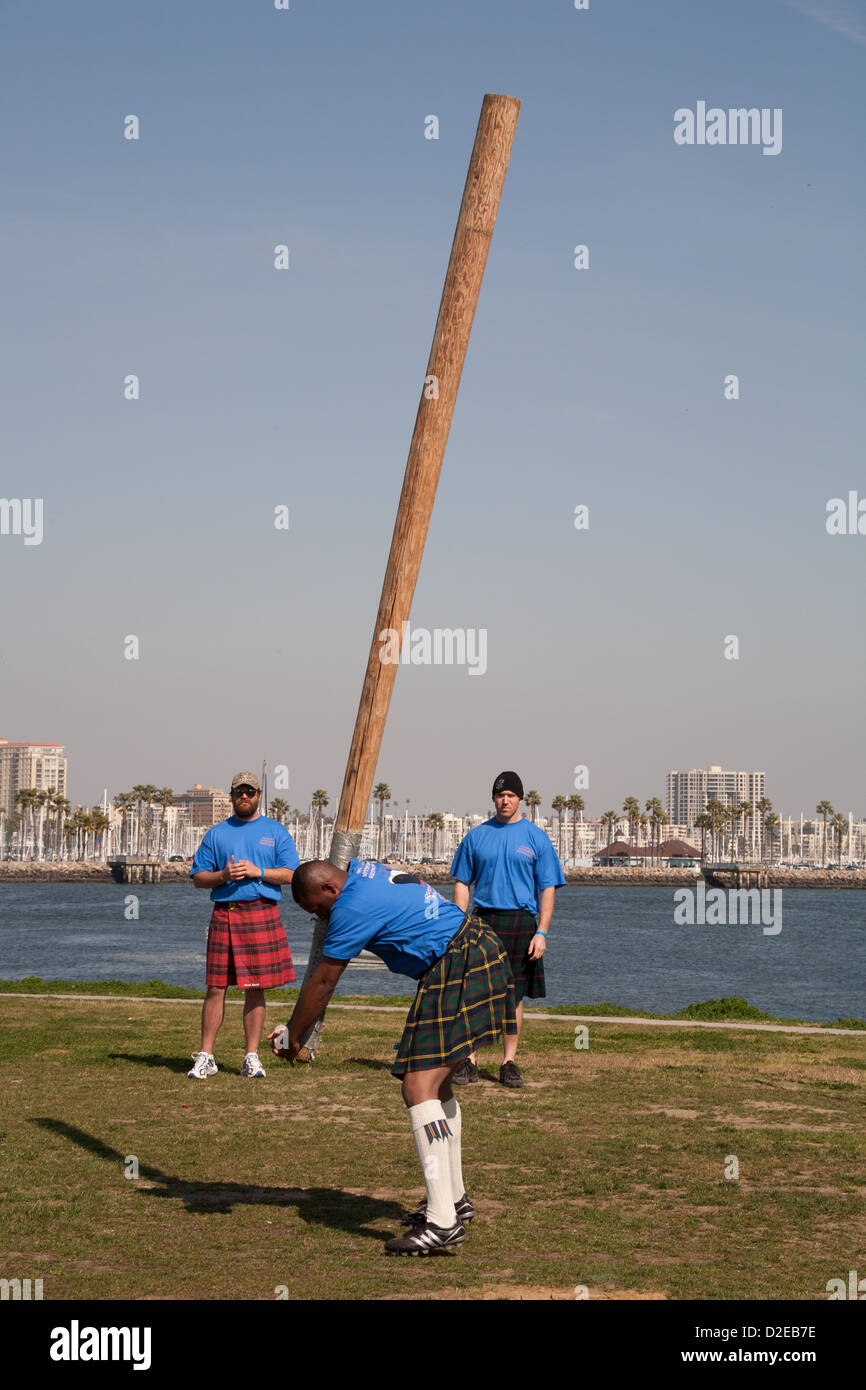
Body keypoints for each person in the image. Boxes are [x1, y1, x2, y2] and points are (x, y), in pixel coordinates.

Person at [269, 858, 517, 1255]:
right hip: (470, 945)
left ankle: (442, 1224)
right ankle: (453, 1200)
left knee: (418, 1088)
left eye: (316, 908)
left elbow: (325, 981)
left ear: (330, 890)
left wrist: (293, 1038)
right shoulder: (362, 870)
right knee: (439, 1085)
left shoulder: (349, 907)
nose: (318, 918)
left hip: (457, 960)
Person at [449, 770, 565, 1088]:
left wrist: (542, 932)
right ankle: (469, 1061)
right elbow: (462, 883)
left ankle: (508, 1062)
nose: (505, 800)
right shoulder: (476, 836)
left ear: (520, 799)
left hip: (522, 923)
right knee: (473, 992)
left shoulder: (536, 838)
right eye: (500, 795)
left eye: (511, 795)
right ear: (493, 799)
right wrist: (459, 925)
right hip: (482, 920)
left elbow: (548, 888)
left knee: (512, 996)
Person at [188, 772, 299, 1080]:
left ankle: (251, 1057)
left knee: (255, 988)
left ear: (259, 795)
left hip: (261, 911)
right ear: (232, 796)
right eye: (239, 792)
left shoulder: (275, 832)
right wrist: (223, 875)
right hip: (225, 912)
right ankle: (206, 1057)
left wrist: (258, 871)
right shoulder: (216, 834)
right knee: (215, 987)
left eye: (250, 791)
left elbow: (292, 874)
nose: (245, 796)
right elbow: (198, 877)